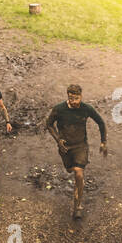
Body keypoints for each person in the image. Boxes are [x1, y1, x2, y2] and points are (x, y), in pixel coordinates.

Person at [44, 84, 108, 220]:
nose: (74, 102)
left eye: (77, 98)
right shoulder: (59, 109)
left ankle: (77, 206)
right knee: (70, 170)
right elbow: (49, 124)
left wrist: (103, 142)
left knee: (79, 173)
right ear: (68, 96)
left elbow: (101, 123)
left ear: (81, 96)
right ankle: (77, 187)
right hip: (65, 147)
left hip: (81, 146)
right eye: (71, 98)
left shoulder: (86, 109)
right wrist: (58, 140)